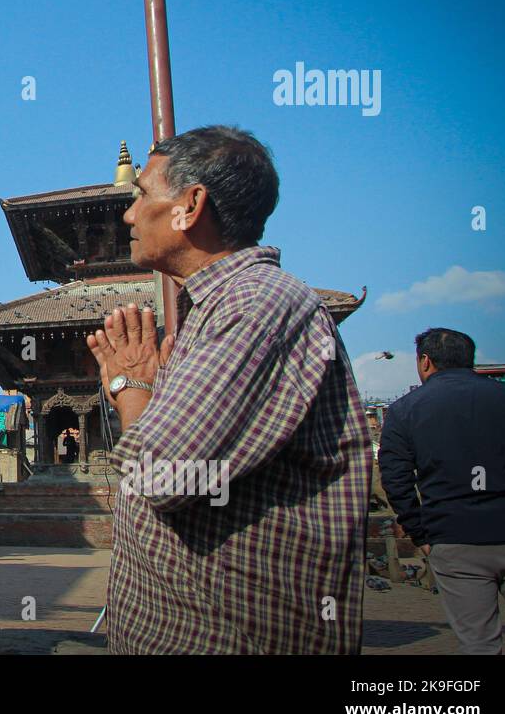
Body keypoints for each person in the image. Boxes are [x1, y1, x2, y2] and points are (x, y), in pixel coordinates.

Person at [86, 125, 371, 653]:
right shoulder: (215, 310)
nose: (128, 214)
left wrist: (131, 387)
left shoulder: (254, 306)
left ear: (190, 206)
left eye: (143, 194)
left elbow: (164, 475)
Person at [379, 328, 505, 653]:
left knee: (478, 644)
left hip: (453, 535)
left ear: (425, 361)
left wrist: (420, 533)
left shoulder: (405, 411)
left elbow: (396, 478)